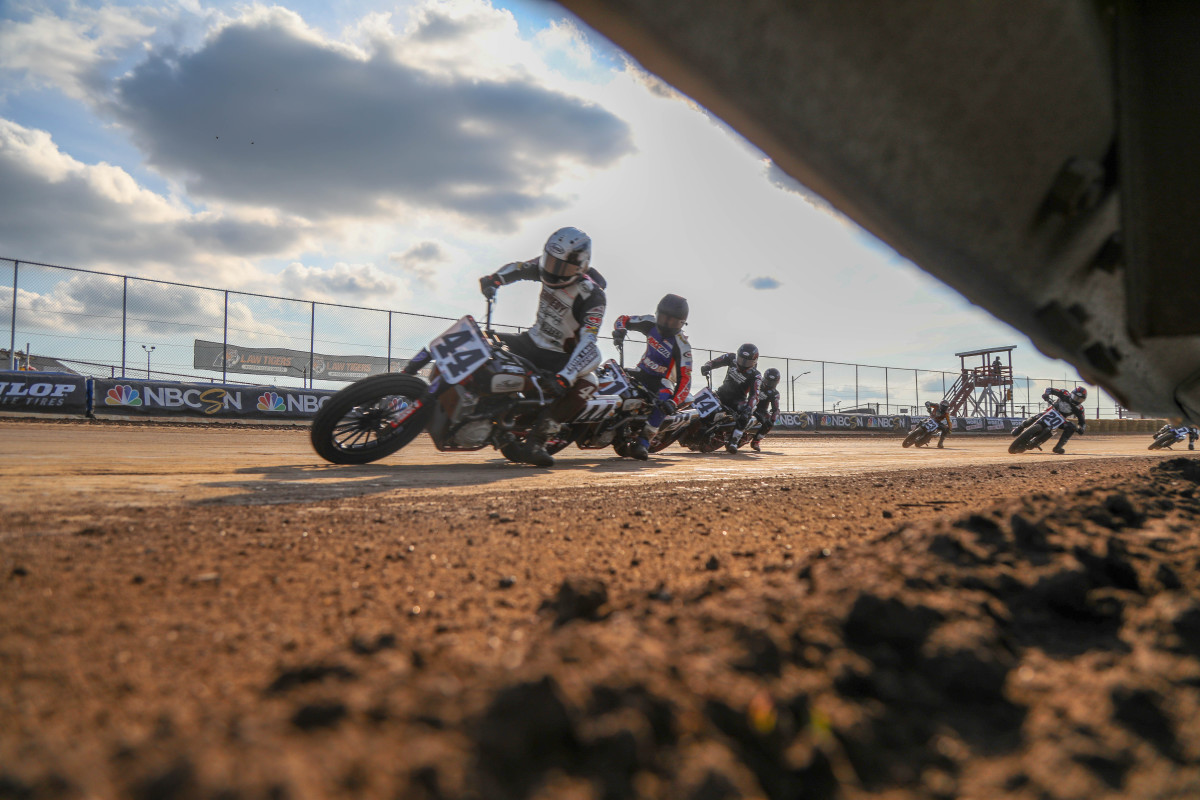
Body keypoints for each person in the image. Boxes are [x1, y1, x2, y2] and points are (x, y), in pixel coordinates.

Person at [457, 226, 606, 467]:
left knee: (590, 382)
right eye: (550, 263)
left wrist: (564, 378)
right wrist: (495, 279)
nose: (553, 272)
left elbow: (589, 342)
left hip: (558, 357)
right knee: (480, 339)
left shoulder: (592, 296)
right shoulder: (548, 264)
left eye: (562, 268)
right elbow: (518, 268)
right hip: (530, 341)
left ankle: (538, 440)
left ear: (582, 266)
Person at [612, 294, 693, 460]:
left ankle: (644, 442)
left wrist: (673, 402)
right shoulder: (649, 322)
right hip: (641, 370)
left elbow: (685, 379)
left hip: (663, 381)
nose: (664, 322)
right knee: (611, 376)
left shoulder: (682, 345)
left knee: (663, 402)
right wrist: (619, 330)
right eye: (662, 316)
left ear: (680, 322)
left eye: (670, 320)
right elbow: (623, 319)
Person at [700, 343, 762, 454]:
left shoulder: (756, 375)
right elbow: (715, 362)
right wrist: (707, 366)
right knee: (701, 399)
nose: (742, 364)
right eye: (741, 359)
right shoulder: (731, 358)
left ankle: (734, 440)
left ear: (754, 362)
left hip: (737, 402)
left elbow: (754, 395)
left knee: (746, 414)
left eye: (747, 362)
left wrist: (749, 407)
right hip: (721, 393)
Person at [1012, 386, 1087, 454]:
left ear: (1082, 400)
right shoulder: (1064, 393)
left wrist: (1081, 429)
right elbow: (1049, 389)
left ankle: (1058, 447)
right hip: (1050, 411)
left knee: (1071, 427)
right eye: (1075, 397)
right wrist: (1046, 395)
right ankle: (1020, 428)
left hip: (1061, 419)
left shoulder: (1080, 408)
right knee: (1035, 417)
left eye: (1079, 399)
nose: (1076, 400)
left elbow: (1082, 422)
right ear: (1071, 394)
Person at [750, 367, 781, 452]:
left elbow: (776, 407)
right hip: (748, 403)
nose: (769, 384)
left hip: (761, 410)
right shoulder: (756, 383)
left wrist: (774, 415)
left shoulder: (775, 393)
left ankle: (756, 441)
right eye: (768, 381)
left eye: (772, 382)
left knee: (769, 423)